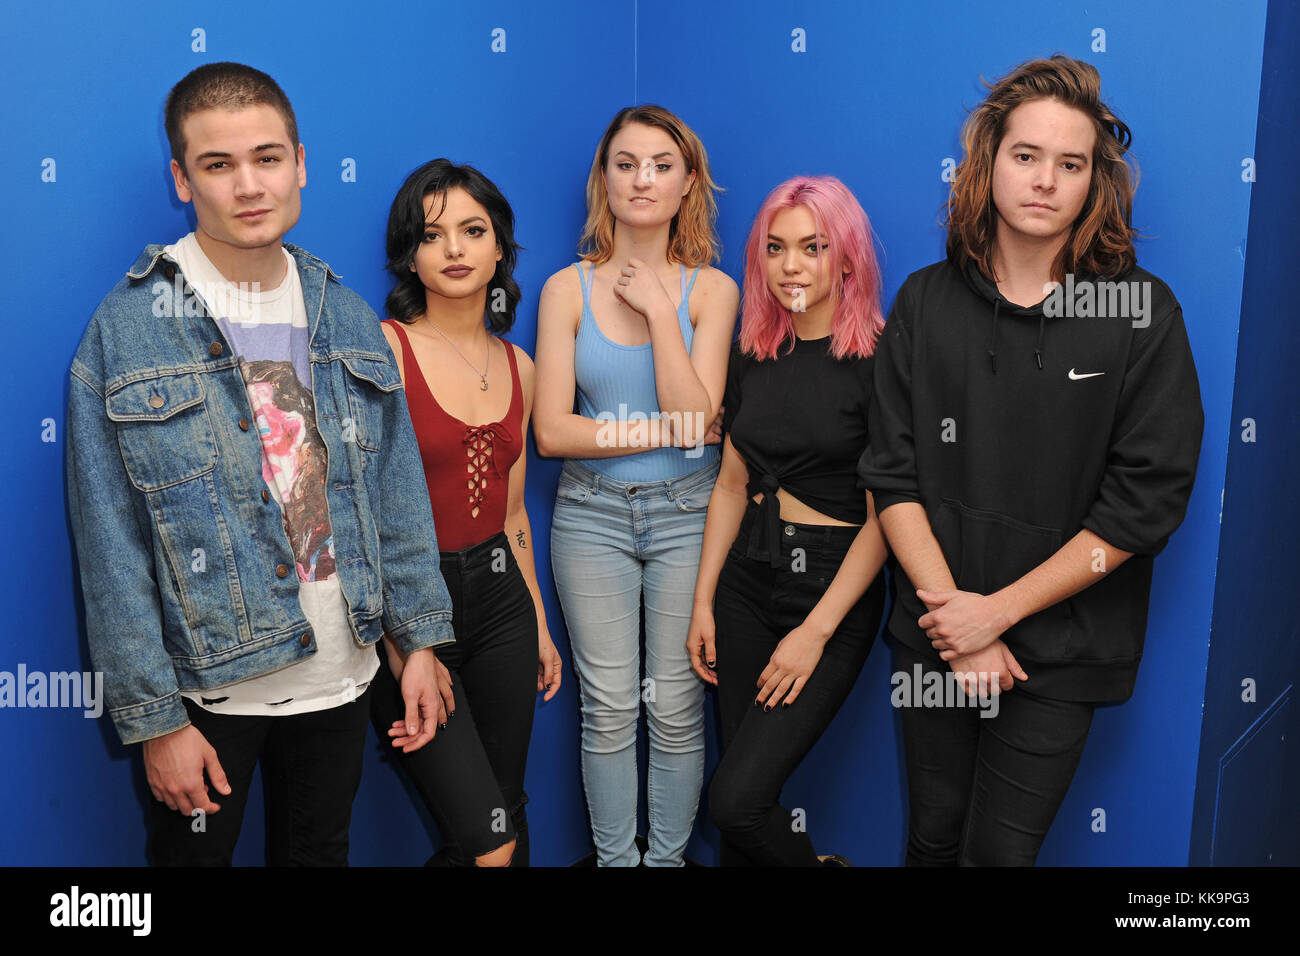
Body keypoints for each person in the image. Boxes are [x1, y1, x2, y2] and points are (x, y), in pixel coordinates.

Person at [65, 62, 453, 866]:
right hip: (210, 695)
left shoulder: (342, 313)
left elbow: (396, 496)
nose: (249, 185)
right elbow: (110, 546)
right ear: (182, 178)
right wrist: (156, 720)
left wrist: (420, 642)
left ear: (301, 163)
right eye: (218, 164)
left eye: (268, 158)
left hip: (342, 679)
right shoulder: (129, 330)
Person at [858, 55, 1204, 866]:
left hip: (1063, 653)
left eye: (1070, 163)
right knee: (929, 844)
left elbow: (1142, 506)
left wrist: (999, 614)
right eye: (1025, 156)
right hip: (939, 637)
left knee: (997, 860)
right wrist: (961, 624)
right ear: (988, 165)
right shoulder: (922, 302)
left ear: (1094, 182)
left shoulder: (1140, 313)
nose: (1045, 180)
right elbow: (892, 472)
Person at [533, 105, 738, 866]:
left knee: (679, 709)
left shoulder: (712, 292)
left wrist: (657, 309)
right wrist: (669, 430)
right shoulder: (565, 291)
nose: (642, 178)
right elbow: (553, 433)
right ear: (605, 180)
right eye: (626, 163)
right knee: (611, 711)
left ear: (688, 182)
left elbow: (699, 415)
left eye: (660, 164)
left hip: (690, 517)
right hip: (590, 517)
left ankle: (668, 862)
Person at [685, 175, 889, 866]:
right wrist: (705, 599)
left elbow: (884, 521)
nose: (791, 265)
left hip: (831, 592)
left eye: (812, 246)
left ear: (848, 258)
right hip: (746, 580)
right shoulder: (754, 351)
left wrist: (814, 632)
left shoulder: (881, 362)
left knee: (735, 800)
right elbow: (731, 486)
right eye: (775, 248)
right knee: (747, 815)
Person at [372, 159, 562, 867]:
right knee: (491, 841)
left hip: (502, 605)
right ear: (410, 257)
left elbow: (514, 514)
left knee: (504, 813)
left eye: (472, 231)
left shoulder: (522, 367)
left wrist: (538, 620)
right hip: (415, 609)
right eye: (432, 234)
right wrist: (398, 645)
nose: (453, 249)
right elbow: (356, 517)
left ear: (500, 251)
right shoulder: (383, 352)